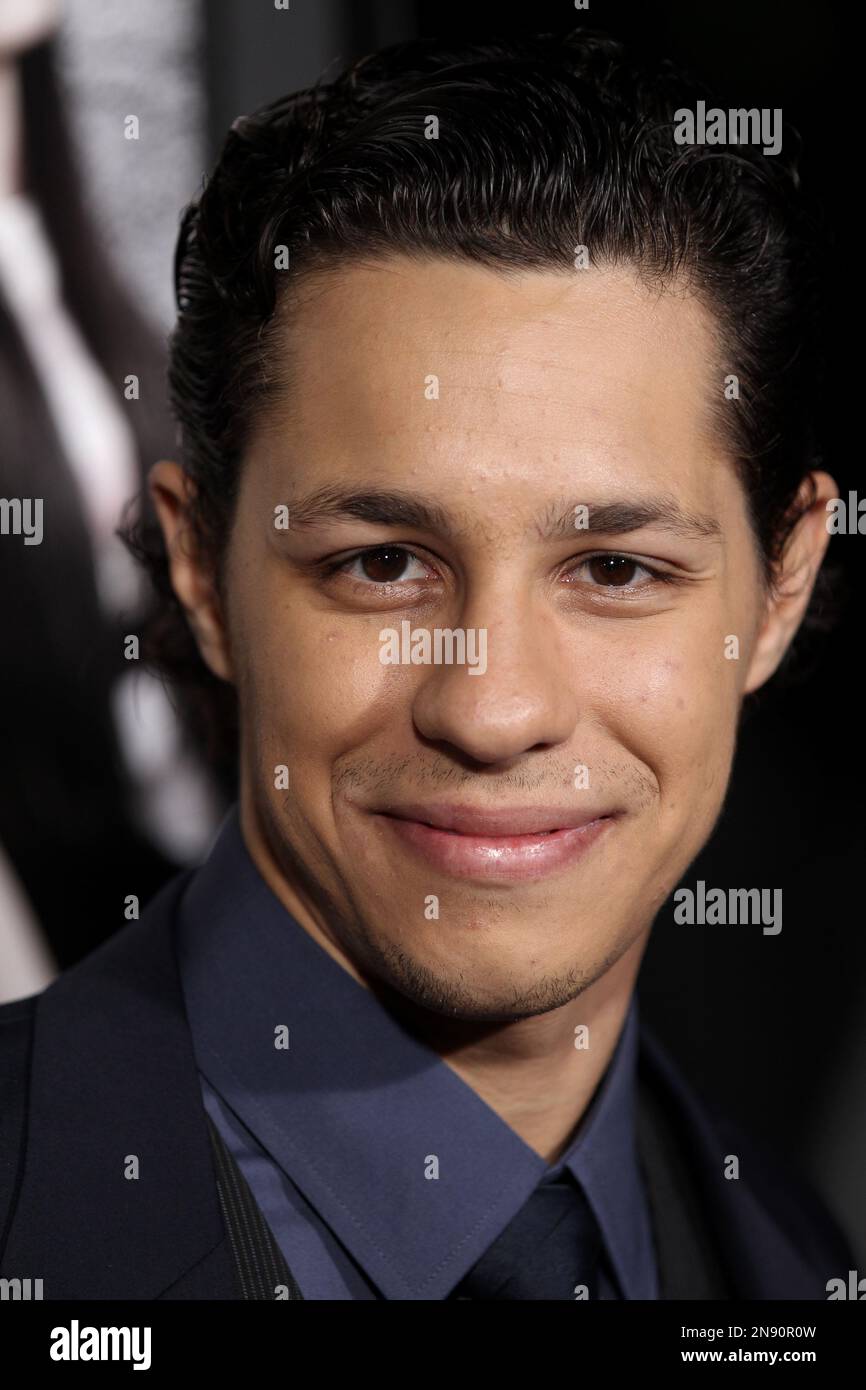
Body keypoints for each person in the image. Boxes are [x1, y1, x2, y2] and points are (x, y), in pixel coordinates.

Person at [0, 28, 854, 1300]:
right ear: (199, 574)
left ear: (777, 589)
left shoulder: (792, 1267)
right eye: (381, 563)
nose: (494, 705)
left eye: (615, 571)